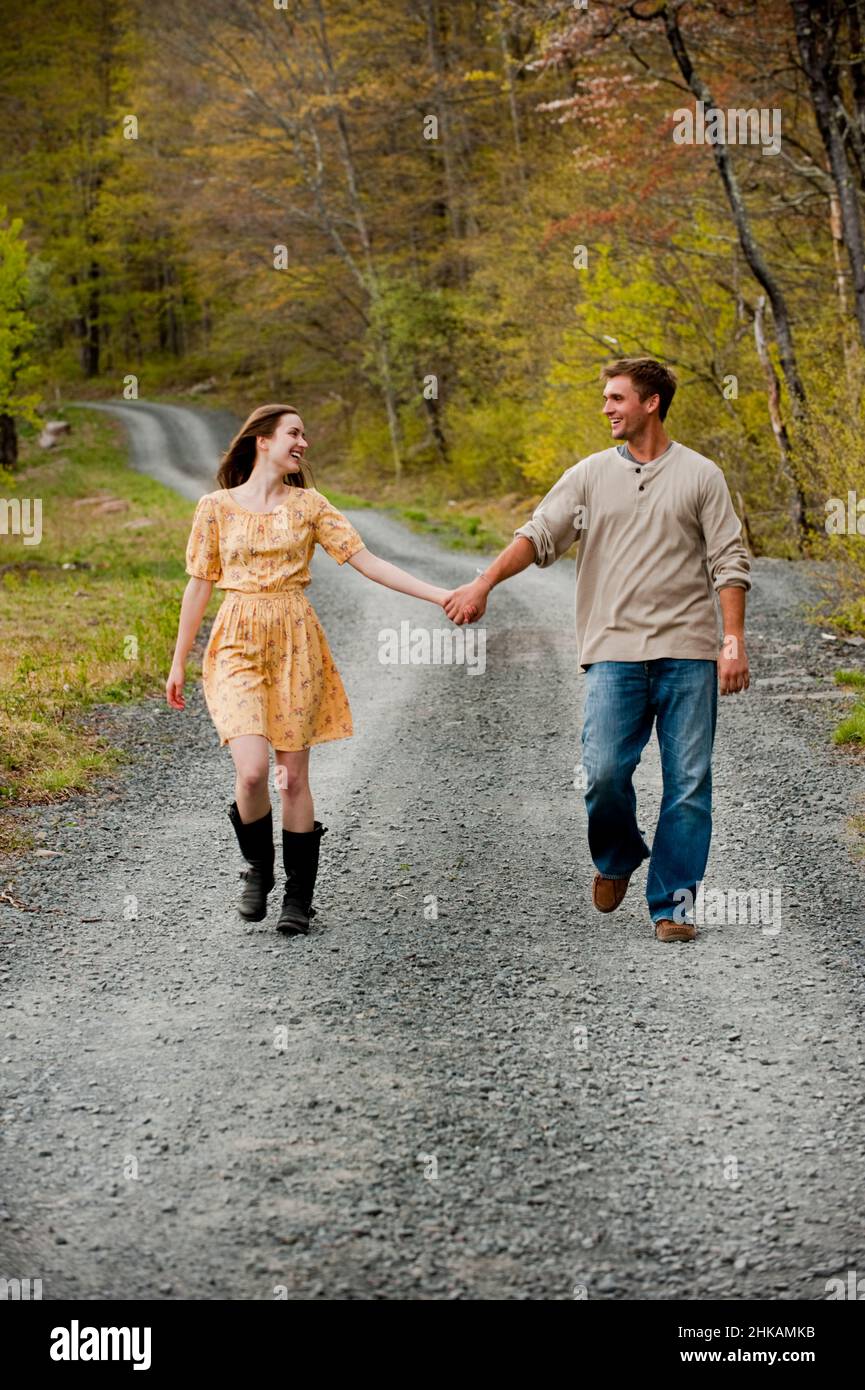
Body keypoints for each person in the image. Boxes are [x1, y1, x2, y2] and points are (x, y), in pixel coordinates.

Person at [445, 357, 751, 944]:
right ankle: (616, 857)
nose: (606, 408)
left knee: (688, 783)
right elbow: (537, 537)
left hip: (688, 651)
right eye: (606, 398)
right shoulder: (587, 476)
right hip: (612, 650)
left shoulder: (701, 475)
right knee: (604, 772)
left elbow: (729, 562)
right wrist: (482, 583)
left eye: (616, 398)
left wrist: (731, 641)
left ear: (651, 403)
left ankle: (673, 906)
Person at [166, 403, 456, 937]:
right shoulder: (215, 507)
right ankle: (258, 865)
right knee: (251, 770)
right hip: (235, 639)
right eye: (294, 433)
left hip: (295, 639)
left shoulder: (310, 505)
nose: (303, 443)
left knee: (292, 776)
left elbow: (369, 562)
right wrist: (179, 659)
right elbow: (200, 581)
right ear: (263, 441)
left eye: (305, 435)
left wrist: (440, 595)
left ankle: (300, 895)